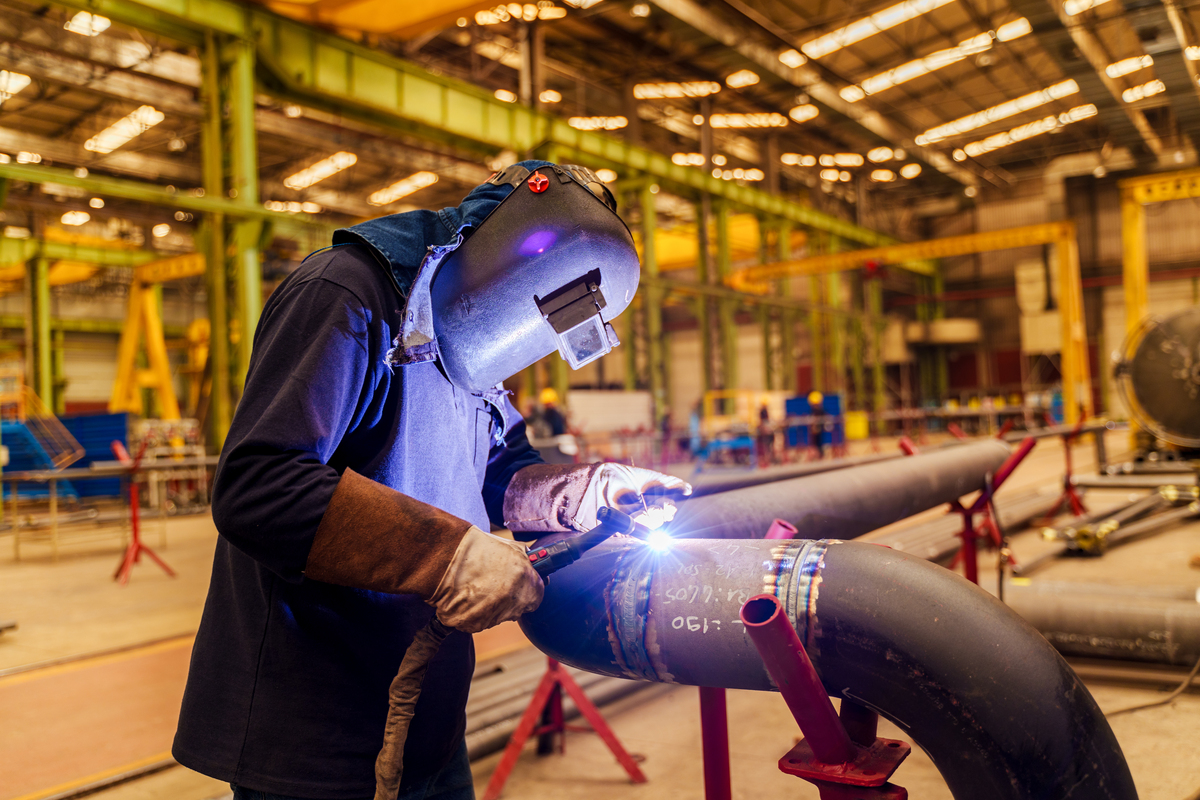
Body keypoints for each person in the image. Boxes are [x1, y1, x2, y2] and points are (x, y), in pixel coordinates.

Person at [172, 161, 691, 800]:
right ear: (503, 248)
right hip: (313, 732)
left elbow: (505, 475)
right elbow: (261, 485)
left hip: (428, 716)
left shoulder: (472, 356)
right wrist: (453, 554)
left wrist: (590, 491)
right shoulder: (348, 294)